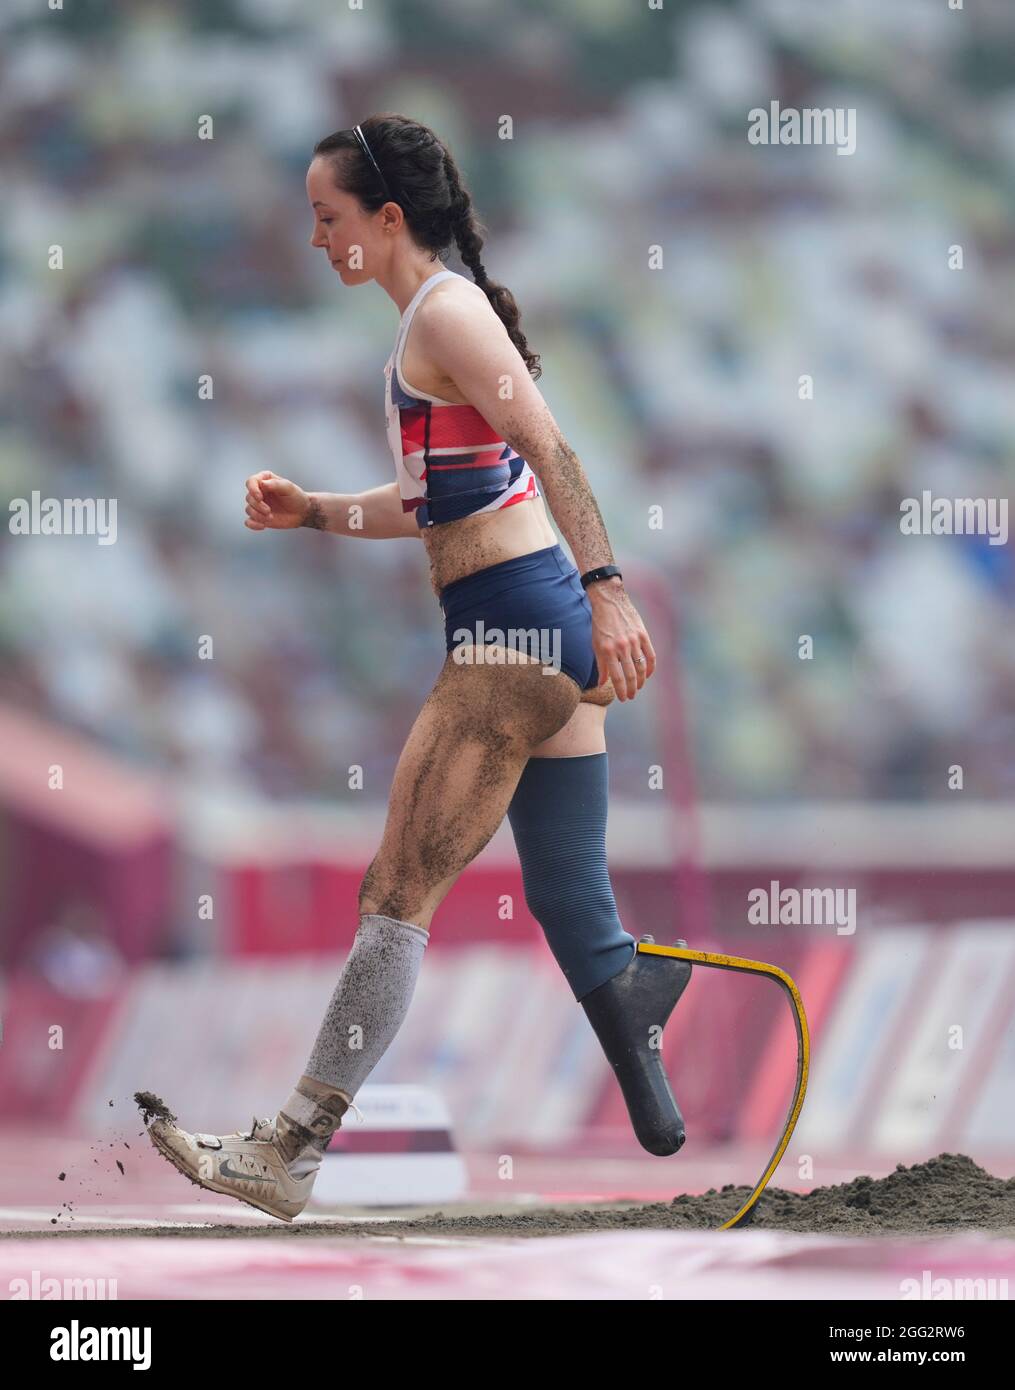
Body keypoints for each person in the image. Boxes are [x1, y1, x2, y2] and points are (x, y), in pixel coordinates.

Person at [143, 114, 692, 1222]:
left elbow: (551, 444)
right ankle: (638, 1016)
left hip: (511, 638)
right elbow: (435, 501)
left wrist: (610, 588)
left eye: (327, 218)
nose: (315, 241)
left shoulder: (445, 311)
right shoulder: (428, 330)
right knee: (567, 895)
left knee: (395, 895)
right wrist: (312, 513)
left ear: (386, 220)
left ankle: (291, 1148)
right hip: (540, 635)